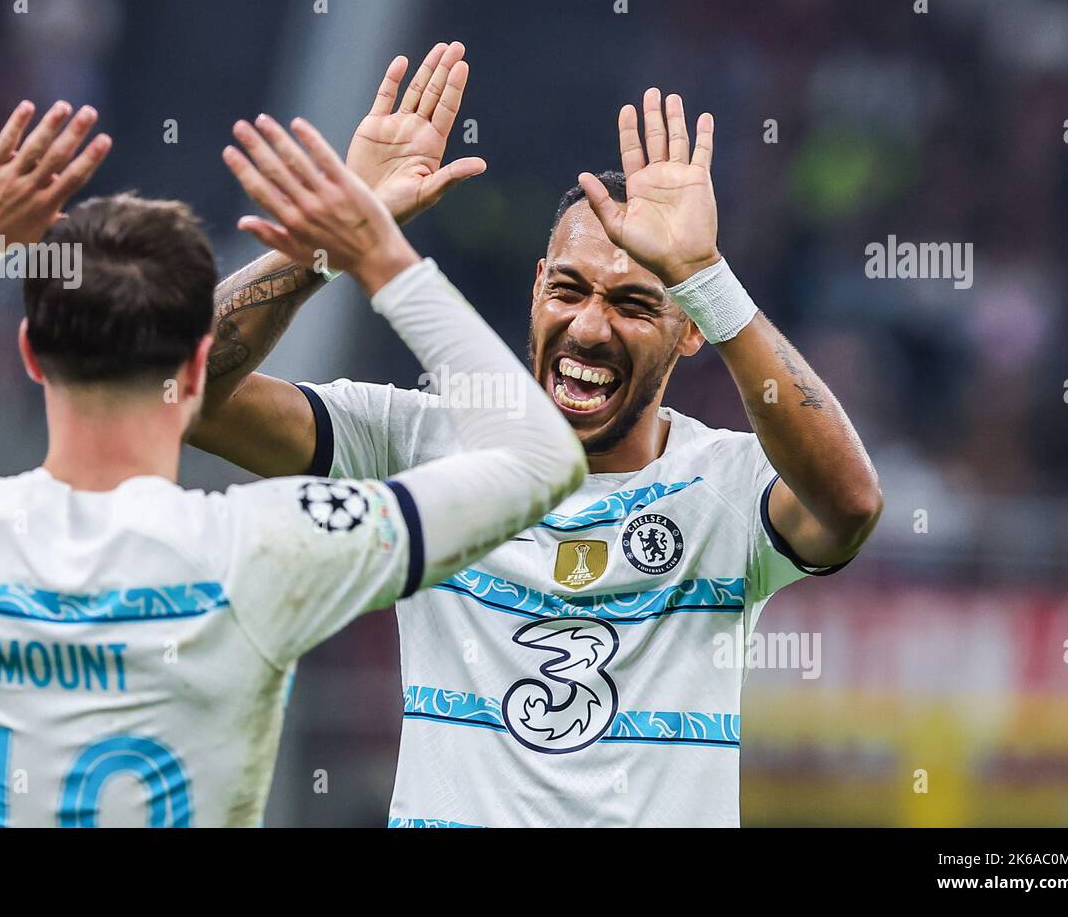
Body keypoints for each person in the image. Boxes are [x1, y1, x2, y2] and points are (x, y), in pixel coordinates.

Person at [0, 98, 583, 826]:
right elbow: (540, 456)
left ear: (30, 356)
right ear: (196, 370)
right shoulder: (265, 548)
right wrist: (374, 252)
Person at [191, 50, 883, 826]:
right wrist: (330, 238)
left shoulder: (722, 487)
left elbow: (850, 505)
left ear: (690, 331)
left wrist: (706, 276)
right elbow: (184, 395)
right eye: (568, 289)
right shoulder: (415, 442)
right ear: (535, 290)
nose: (589, 327)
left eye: (632, 303)